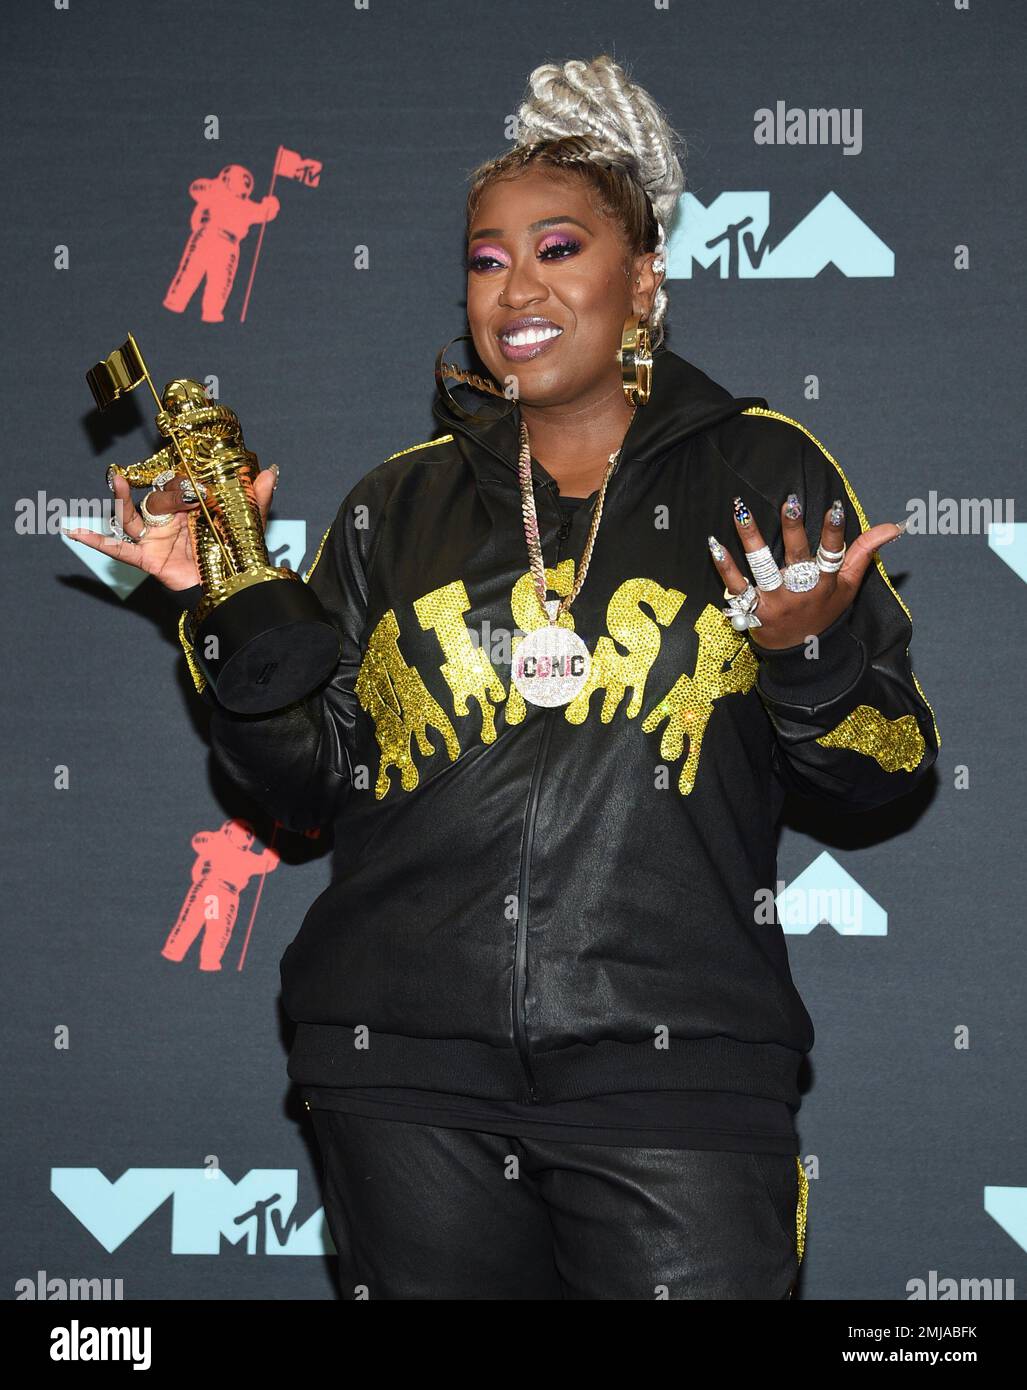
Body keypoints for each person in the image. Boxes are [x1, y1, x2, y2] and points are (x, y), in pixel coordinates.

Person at [68, 55, 939, 1300]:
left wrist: (804, 652)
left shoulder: (759, 473)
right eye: (486, 258)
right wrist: (228, 605)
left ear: (642, 281)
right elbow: (308, 786)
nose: (515, 288)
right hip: (403, 1076)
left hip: (673, 1073)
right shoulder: (395, 507)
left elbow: (891, 761)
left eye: (557, 249)